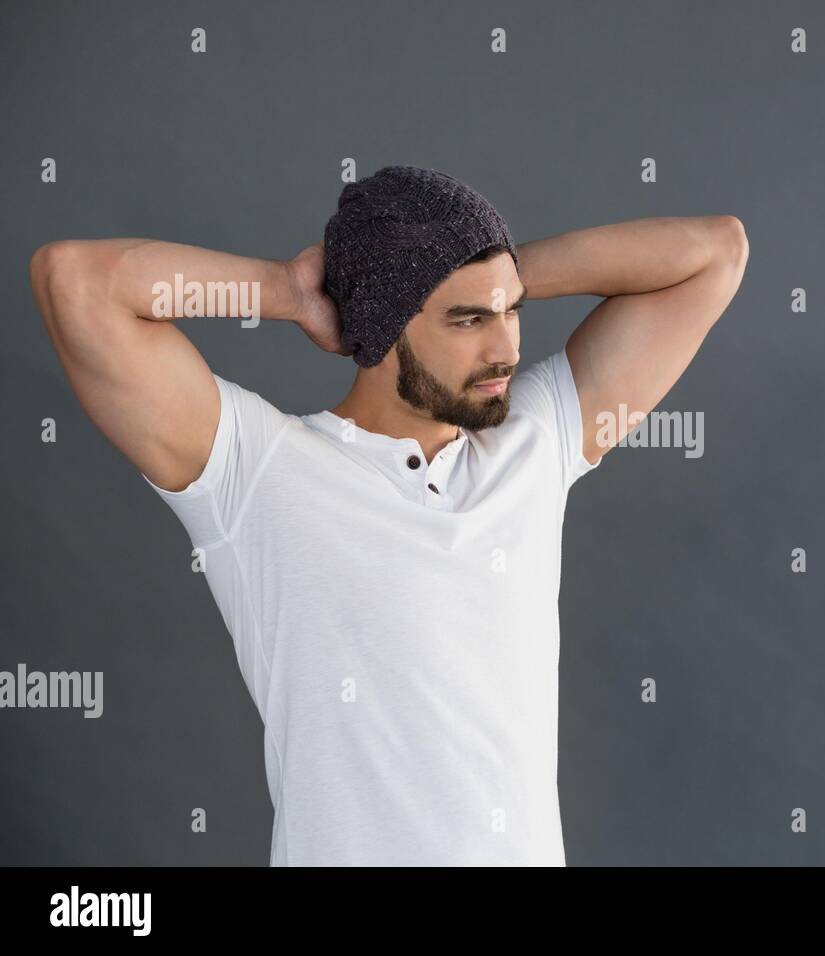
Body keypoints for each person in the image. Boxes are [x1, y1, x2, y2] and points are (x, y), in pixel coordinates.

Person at [29, 165, 748, 865]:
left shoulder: (536, 443)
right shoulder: (258, 473)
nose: (506, 348)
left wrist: (489, 271)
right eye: (468, 319)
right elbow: (75, 281)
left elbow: (716, 253)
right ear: (384, 324)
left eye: (512, 312)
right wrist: (291, 291)